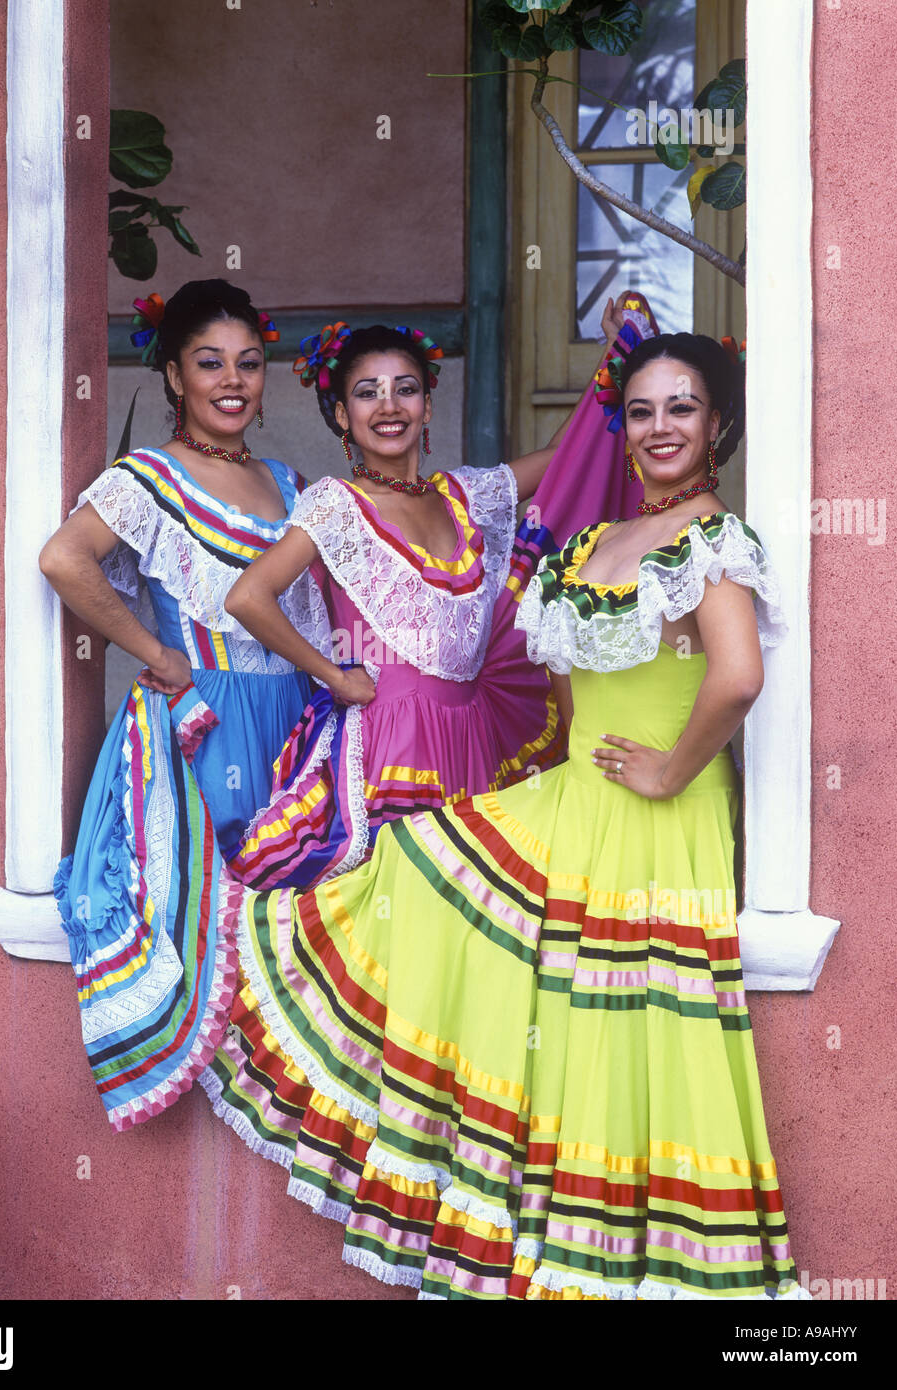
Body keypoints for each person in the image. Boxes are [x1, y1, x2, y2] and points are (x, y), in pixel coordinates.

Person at [204, 329, 810, 1300]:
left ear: (720, 424)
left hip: (661, 816)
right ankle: (571, 1265)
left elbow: (736, 677)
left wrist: (668, 771)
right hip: (571, 800)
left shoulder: (712, 540)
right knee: (447, 907)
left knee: (634, 1028)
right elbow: (566, 699)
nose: (660, 428)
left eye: (682, 408)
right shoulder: (591, 545)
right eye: (642, 409)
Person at [219, 297, 658, 891]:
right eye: (368, 393)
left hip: (472, 729)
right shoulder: (336, 503)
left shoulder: (465, 494)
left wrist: (619, 356)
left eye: (405, 389)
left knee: (470, 903)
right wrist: (333, 675)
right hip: (390, 737)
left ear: (427, 407)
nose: (389, 406)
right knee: (395, 903)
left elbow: (567, 464)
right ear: (343, 417)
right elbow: (249, 596)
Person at [40, 279, 313, 1132]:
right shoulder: (147, 478)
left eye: (248, 363)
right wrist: (158, 654)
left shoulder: (287, 480)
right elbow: (64, 560)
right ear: (171, 375)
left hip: (291, 723)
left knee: (290, 927)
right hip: (207, 722)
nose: (231, 380)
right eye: (208, 363)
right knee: (215, 913)